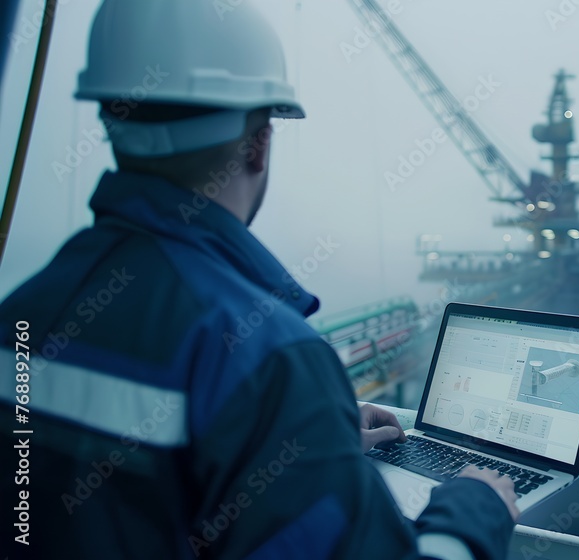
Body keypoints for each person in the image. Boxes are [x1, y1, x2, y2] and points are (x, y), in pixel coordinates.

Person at [0, 1, 517, 558]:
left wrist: (314, 442)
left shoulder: (20, 311)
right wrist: (470, 512)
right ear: (260, 143)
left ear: (110, 120)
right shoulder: (271, 358)